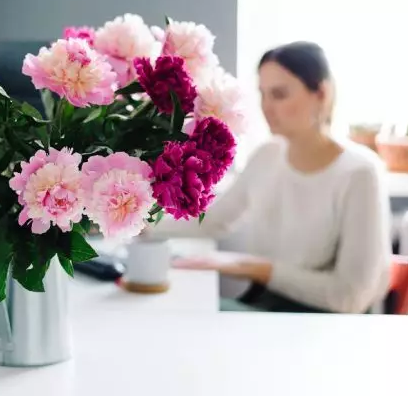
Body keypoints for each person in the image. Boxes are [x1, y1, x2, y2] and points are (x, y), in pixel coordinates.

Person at [154, 41, 392, 313]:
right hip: (263, 306)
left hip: (319, 325)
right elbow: (214, 221)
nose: (266, 107)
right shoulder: (267, 155)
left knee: (179, 319)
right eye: (262, 94)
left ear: (321, 93)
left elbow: (351, 298)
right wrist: (137, 223)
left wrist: (253, 268)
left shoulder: (360, 173)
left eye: (279, 94)